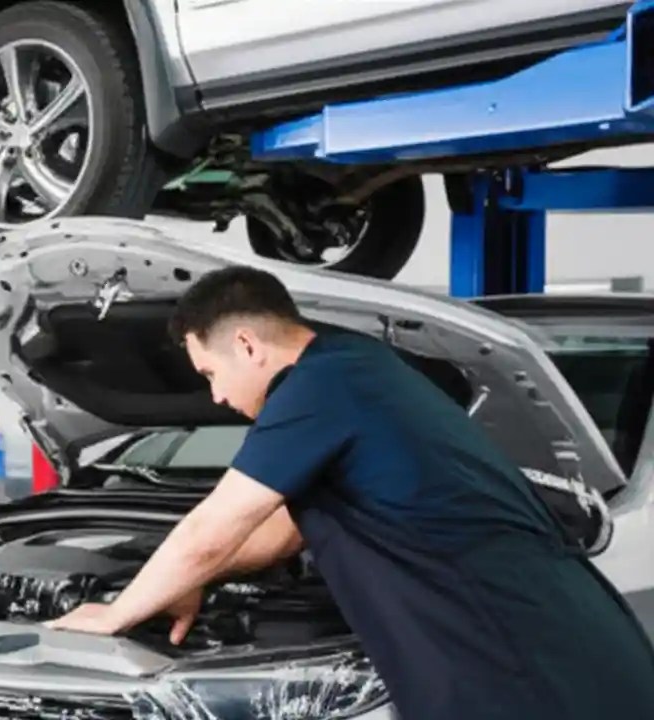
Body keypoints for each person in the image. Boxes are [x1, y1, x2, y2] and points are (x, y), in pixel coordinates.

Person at [45, 266, 654, 720]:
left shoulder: (319, 388)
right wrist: (184, 583)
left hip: (522, 661)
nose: (216, 399)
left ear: (247, 346)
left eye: (210, 374)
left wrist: (117, 613)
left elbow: (213, 526)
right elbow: (276, 532)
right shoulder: (352, 368)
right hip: (526, 650)